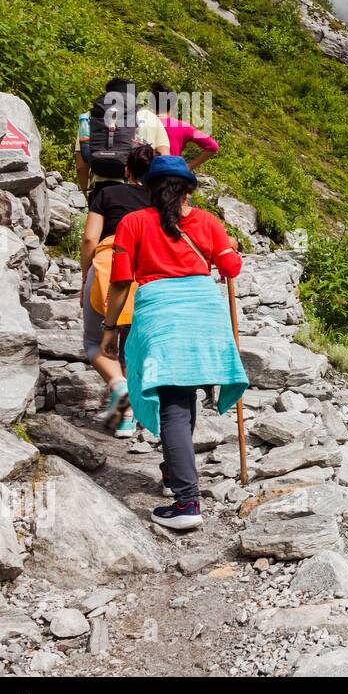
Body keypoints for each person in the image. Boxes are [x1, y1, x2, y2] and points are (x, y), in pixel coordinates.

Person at [102, 155, 248, 530]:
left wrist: (108, 330)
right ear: (187, 189)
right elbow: (231, 268)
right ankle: (172, 474)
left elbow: (120, 281)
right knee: (184, 395)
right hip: (205, 316)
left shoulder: (133, 223)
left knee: (173, 401)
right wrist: (230, 252)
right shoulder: (208, 222)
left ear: (149, 187)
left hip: (161, 316)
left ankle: (187, 502)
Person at [81, 144, 155, 438]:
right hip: (143, 273)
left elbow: (89, 239)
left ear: (127, 170)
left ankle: (120, 390)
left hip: (105, 267)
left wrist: (83, 272)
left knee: (94, 343)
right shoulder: (157, 203)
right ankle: (126, 416)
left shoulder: (106, 194)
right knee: (127, 346)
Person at [76, 78, 170, 199]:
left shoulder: (91, 117)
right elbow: (164, 157)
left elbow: (81, 167)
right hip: (140, 191)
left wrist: (86, 194)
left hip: (101, 191)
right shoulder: (149, 117)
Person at [150, 82, 219, 170]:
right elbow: (213, 146)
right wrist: (189, 166)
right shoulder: (183, 126)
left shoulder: (143, 123)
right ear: (173, 105)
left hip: (148, 175)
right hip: (173, 174)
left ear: (152, 104)